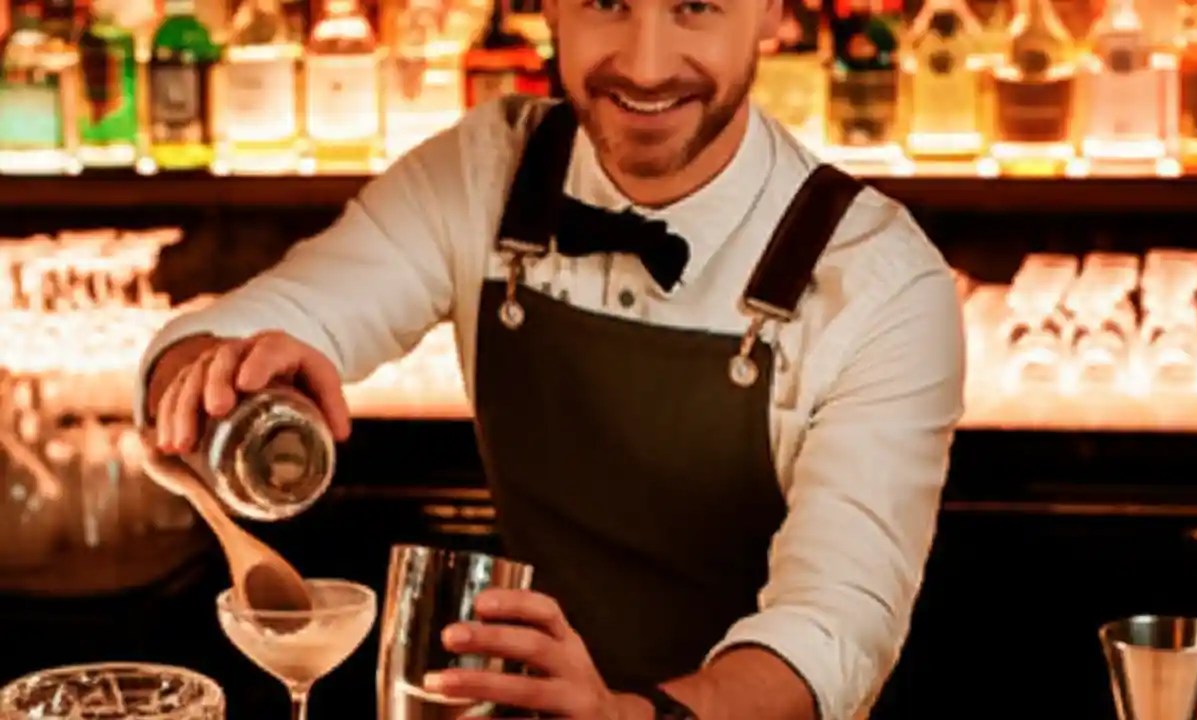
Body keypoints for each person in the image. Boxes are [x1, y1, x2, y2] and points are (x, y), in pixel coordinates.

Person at [136, 0, 966, 716]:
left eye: (696, 6)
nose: (645, 65)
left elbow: (832, 630)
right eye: (606, 1)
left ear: (775, 13)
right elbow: (250, 326)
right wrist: (209, 374)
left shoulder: (880, 282)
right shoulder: (485, 171)